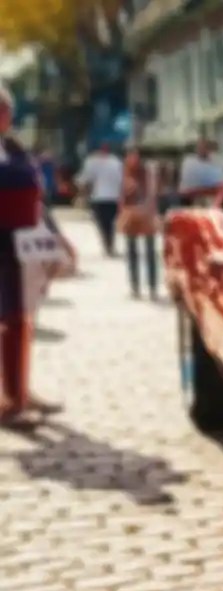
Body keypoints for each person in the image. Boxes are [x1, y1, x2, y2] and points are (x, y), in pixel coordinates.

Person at [0, 83, 61, 425]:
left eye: (6, 110)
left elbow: (36, 198)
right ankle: (11, 400)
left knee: (22, 320)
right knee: (9, 320)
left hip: (23, 246)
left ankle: (20, 387)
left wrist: (57, 238)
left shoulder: (13, 148)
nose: (5, 117)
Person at [119, 148, 160, 300]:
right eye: (130, 157)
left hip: (146, 213)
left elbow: (152, 193)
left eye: (135, 156)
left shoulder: (147, 174)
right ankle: (135, 286)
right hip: (130, 214)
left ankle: (152, 287)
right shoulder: (125, 173)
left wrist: (150, 210)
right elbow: (122, 195)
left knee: (150, 252)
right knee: (131, 252)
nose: (132, 160)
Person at [78, 142, 124, 257]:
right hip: (114, 197)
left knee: (102, 223)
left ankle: (107, 245)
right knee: (111, 223)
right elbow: (121, 179)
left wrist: (82, 195)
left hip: (98, 197)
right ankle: (111, 245)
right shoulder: (116, 161)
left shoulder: (91, 161)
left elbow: (84, 180)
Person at [178, 138, 223, 207]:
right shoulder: (190, 163)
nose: (202, 150)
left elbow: (222, 181)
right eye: (199, 147)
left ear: (210, 150)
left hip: (212, 196)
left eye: (205, 148)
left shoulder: (218, 163)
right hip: (191, 197)